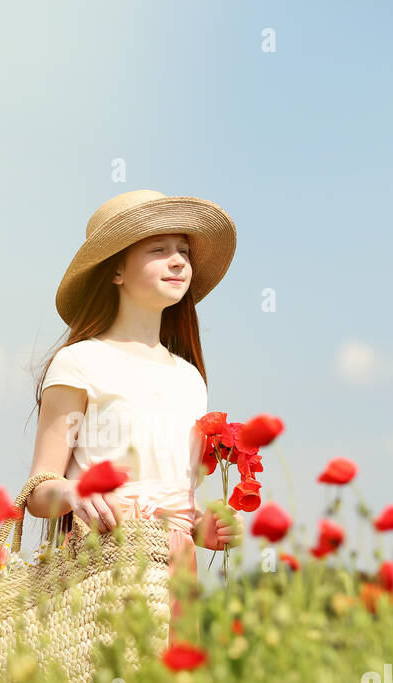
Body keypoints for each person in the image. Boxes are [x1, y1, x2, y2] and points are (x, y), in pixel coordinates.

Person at [23, 189, 243, 640]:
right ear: (117, 270)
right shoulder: (79, 362)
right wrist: (74, 493)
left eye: (183, 250)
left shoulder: (189, 378)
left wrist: (206, 526)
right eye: (158, 250)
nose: (178, 261)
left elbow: (173, 493)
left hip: (176, 564)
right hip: (102, 555)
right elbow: (38, 491)